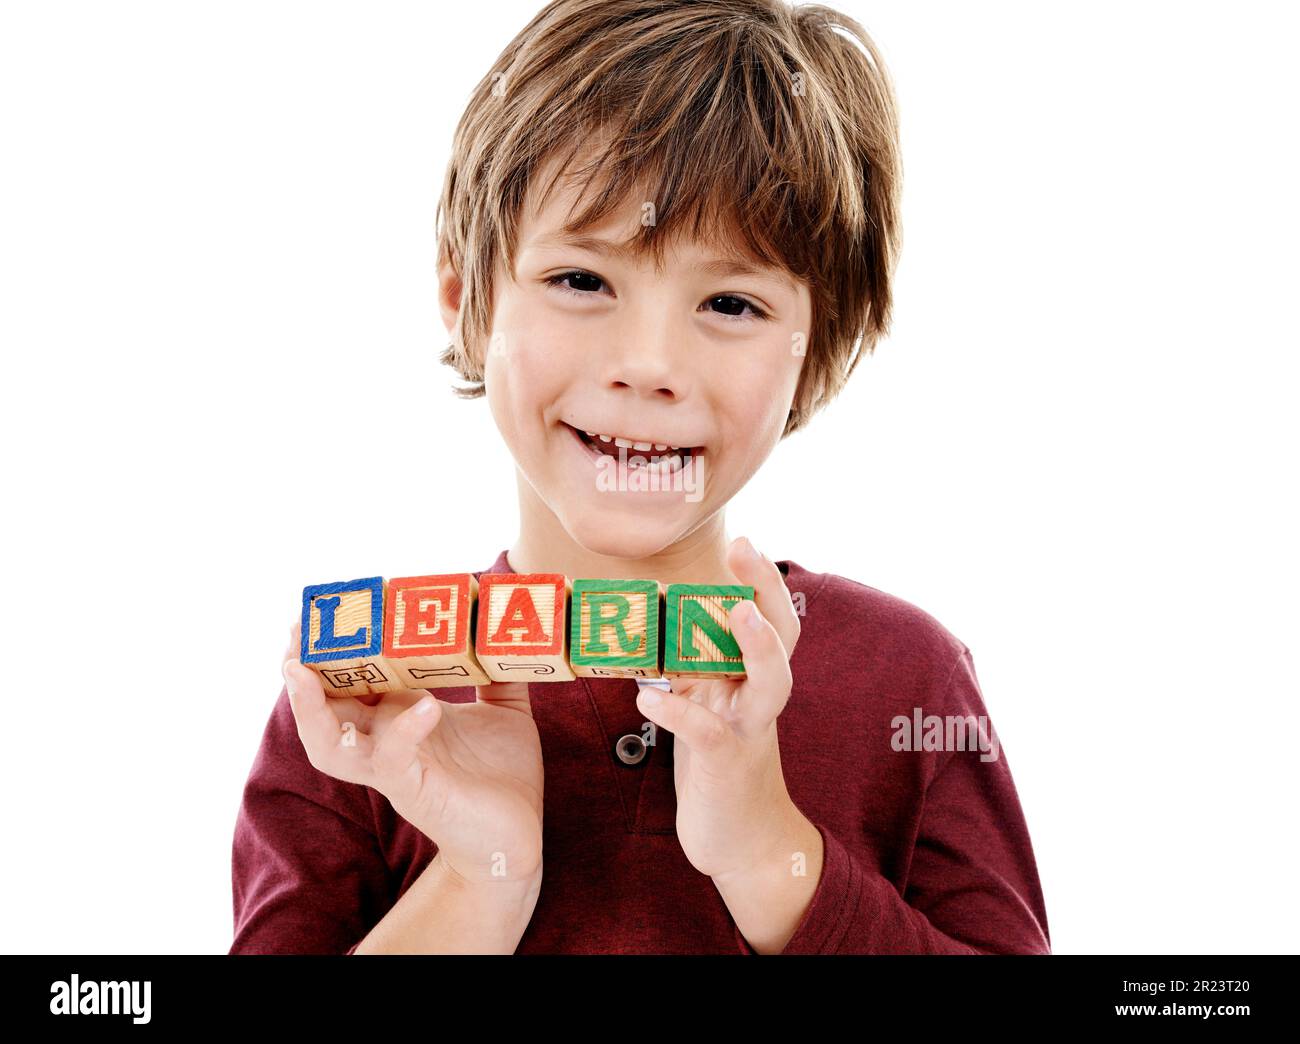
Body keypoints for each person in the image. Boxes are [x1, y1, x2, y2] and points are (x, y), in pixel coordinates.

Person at [229, 0, 1050, 955]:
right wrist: (478, 877)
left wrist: (767, 849)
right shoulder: (364, 715)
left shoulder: (911, 680)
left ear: (809, 348)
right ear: (465, 301)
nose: (650, 362)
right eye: (582, 280)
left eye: (732, 302)